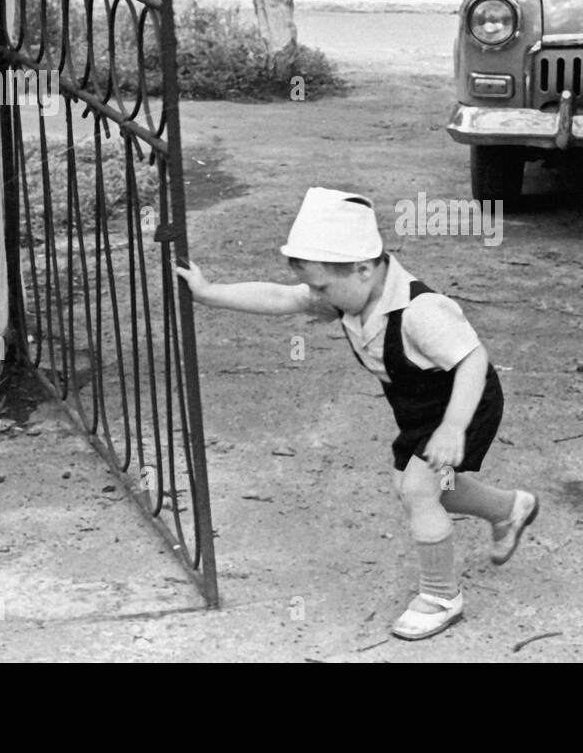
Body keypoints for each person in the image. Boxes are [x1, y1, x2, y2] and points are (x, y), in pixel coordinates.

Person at [173, 187, 538, 641]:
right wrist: (209, 293)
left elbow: (473, 360)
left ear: (364, 268)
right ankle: (508, 508)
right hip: (421, 406)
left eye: (322, 286)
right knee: (417, 485)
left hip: (466, 401)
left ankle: (441, 597)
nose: (314, 295)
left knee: (419, 492)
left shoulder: (421, 311)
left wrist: (453, 427)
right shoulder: (353, 292)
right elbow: (281, 299)